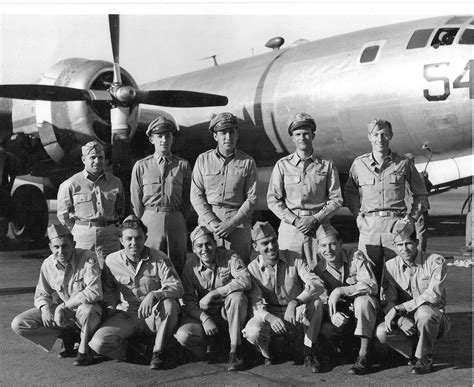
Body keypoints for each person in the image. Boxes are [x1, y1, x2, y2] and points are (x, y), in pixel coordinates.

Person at [89, 215, 183, 370]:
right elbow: (109, 290)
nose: (134, 243)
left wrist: (154, 295)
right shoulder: (111, 261)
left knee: (169, 304)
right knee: (98, 343)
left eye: (138, 238)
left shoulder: (159, 258)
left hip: (154, 314)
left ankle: (158, 352)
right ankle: (136, 351)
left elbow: (177, 287)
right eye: (129, 239)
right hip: (128, 315)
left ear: (145, 238)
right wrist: (110, 309)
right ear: (121, 240)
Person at [344, 119, 429, 285]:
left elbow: (421, 194)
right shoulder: (359, 164)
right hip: (369, 228)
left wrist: (411, 218)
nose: (380, 139)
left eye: (384, 134)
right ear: (369, 137)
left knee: (400, 279)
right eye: (375, 134)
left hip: (396, 227)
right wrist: (357, 215)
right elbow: (350, 191)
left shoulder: (403, 163)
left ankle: (399, 310)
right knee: (367, 278)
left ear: (390, 136)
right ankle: (370, 310)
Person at [11, 224, 102, 366]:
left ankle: (85, 349)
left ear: (74, 244)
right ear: (50, 247)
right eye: (56, 247)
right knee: (19, 323)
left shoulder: (88, 258)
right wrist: (45, 308)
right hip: (65, 314)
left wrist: (62, 307)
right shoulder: (48, 264)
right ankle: (68, 335)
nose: (60, 251)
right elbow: (41, 292)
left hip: (86, 313)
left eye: (65, 246)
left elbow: (94, 291)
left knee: (87, 310)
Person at [242, 221, 326, 373]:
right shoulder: (252, 268)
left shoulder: (294, 258)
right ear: (255, 247)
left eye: (274, 240)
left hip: (295, 313)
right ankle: (267, 354)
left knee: (317, 303)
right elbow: (255, 304)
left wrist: (295, 302)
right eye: (265, 243)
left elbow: (317, 284)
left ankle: (309, 352)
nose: (271, 246)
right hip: (272, 315)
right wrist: (270, 318)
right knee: (253, 330)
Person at [267, 112, 343, 269]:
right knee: (289, 270)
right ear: (293, 138)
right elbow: (273, 200)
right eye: (298, 134)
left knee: (321, 271)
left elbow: (336, 199)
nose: (302, 138)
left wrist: (315, 219)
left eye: (306, 134)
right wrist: (295, 220)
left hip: (319, 227)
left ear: (313, 135)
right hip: (291, 228)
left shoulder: (327, 165)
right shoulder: (282, 165)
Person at [375, 222, 450, 374]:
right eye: (399, 245)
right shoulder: (390, 266)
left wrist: (400, 308)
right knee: (382, 332)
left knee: (424, 313)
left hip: (435, 319)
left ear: (416, 243)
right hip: (407, 321)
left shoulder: (435, 261)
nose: (404, 249)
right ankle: (413, 353)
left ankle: (424, 357)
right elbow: (389, 300)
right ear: (394, 246)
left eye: (408, 243)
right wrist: (401, 320)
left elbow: (433, 296)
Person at [175, 225, 251, 371]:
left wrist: (214, 293)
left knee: (237, 297)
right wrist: (204, 318)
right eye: (199, 246)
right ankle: (212, 347)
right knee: (184, 335)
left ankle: (236, 350)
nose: (205, 249)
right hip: (207, 315)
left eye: (208, 244)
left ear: (215, 244)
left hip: (228, 313)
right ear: (194, 249)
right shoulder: (190, 267)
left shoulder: (230, 256)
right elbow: (188, 301)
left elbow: (246, 280)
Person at [191, 112, 257, 263]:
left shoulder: (247, 162)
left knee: (240, 268)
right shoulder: (203, 160)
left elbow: (252, 199)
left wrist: (231, 224)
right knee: (209, 268)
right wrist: (213, 223)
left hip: (238, 224)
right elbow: (196, 195)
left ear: (237, 134)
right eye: (223, 133)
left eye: (231, 132)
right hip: (209, 224)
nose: (228, 137)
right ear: (215, 136)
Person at [313, 224, 378, 375]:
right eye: (323, 246)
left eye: (332, 244)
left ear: (341, 243)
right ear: (318, 248)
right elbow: (322, 298)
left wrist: (341, 290)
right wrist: (332, 314)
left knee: (363, 301)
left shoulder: (355, 257)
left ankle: (364, 355)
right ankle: (341, 353)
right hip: (344, 318)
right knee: (326, 329)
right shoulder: (318, 270)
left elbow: (371, 285)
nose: (328, 250)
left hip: (364, 315)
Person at [130, 116, 192, 275]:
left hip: (175, 218)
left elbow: (187, 198)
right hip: (150, 218)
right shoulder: (142, 166)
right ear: (152, 139)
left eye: (168, 136)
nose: (164, 140)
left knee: (177, 263)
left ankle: (177, 298)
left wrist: (178, 217)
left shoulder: (182, 165)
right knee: (151, 264)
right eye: (159, 136)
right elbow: (136, 200)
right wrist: (146, 219)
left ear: (172, 139)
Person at [57, 141, 125, 268]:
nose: (97, 161)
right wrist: (78, 230)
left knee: (112, 274)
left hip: (109, 237)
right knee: (83, 272)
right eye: (92, 157)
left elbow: (120, 209)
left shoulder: (116, 182)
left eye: (101, 157)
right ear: (83, 159)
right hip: (83, 236)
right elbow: (63, 215)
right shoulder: (70, 184)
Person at [404, 153, 433, 253]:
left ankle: (411, 253)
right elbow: (427, 188)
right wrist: (424, 179)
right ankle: (420, 254)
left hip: (409, 208)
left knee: (409, 232)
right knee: (420, 232)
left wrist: (425, 178)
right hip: (418, 208)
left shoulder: (402, 173)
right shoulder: (415, 174)